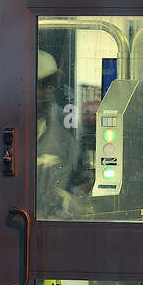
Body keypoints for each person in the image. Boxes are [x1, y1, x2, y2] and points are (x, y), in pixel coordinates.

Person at [35, 50, 86, 220]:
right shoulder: (8, 124)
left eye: (51, 83)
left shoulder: (66, 125)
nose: (48, 90)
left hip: (57, 223)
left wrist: (70, 200)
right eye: (42, 84)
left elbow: (79, 176)